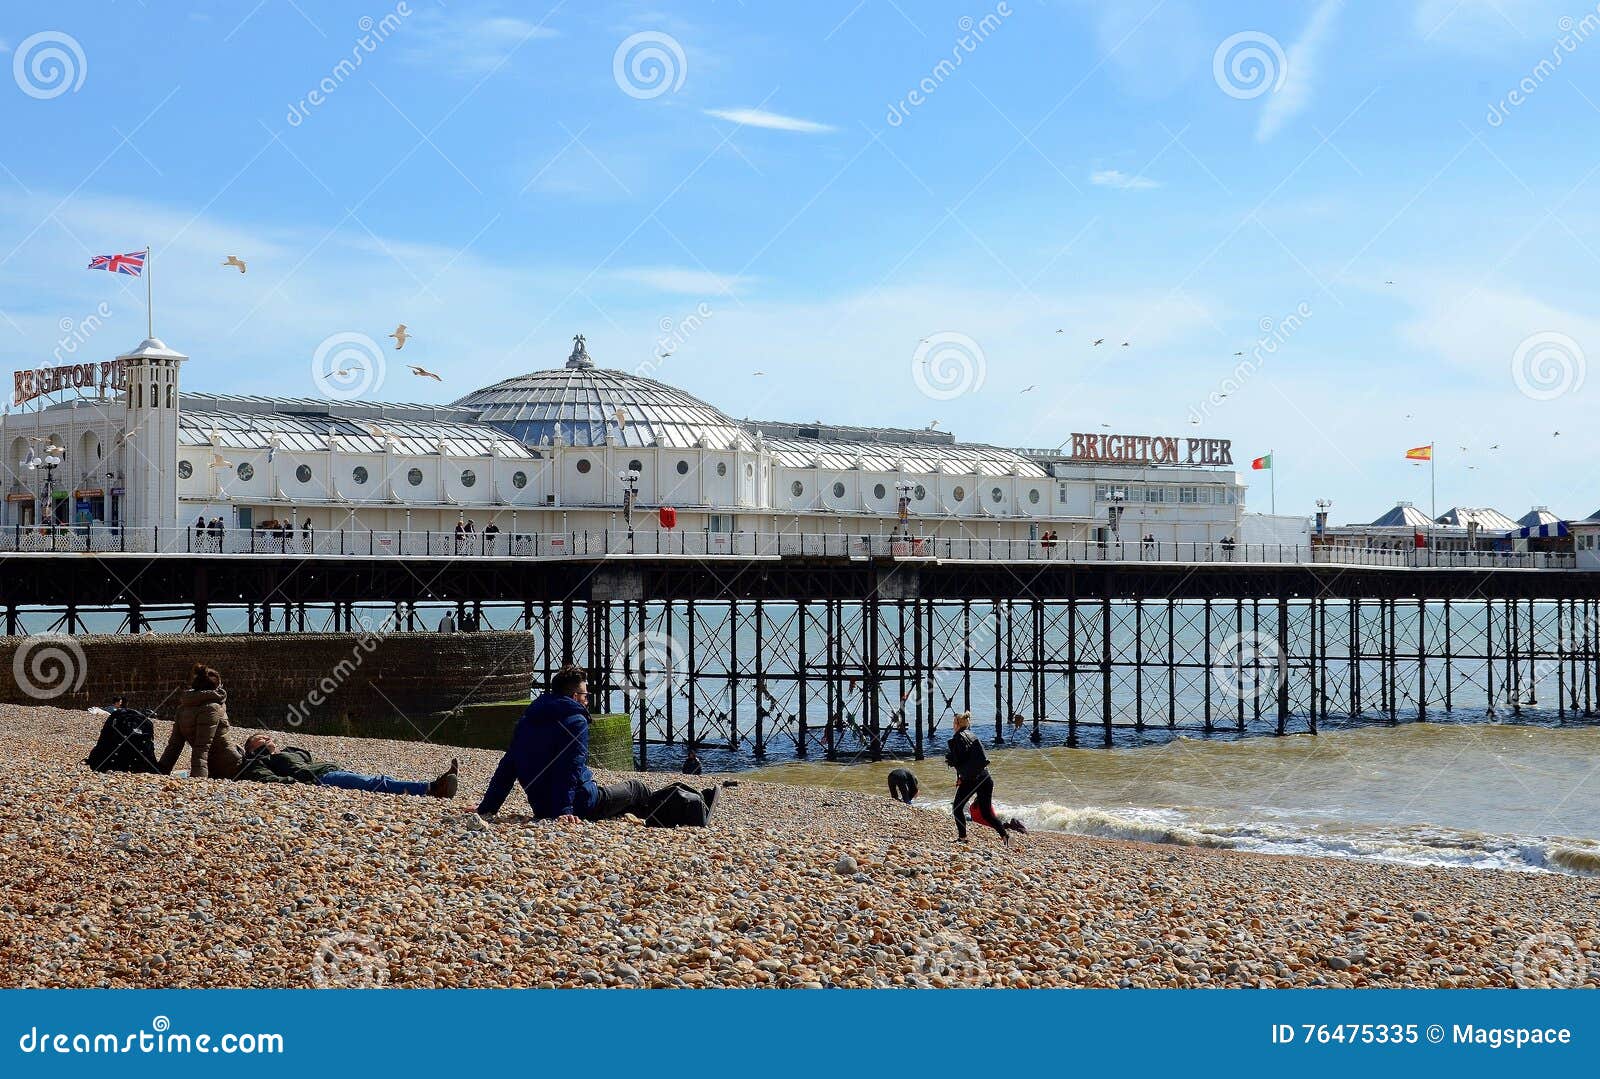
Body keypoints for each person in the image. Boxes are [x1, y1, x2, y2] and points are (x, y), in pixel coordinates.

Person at [478, 665, 681, 823]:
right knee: (637, 788)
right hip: (580, 804)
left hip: (541, 806)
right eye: (585, 695)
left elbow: (508, 766)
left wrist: (487, 808)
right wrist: (563, 811)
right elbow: (569, 768)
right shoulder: (576, 721)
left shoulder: (527, 720)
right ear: (575, 696)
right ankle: (677, 814)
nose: (587, 700)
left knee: (627, 804)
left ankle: (648, 813)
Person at [236, 732, 458, 798]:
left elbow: (305, 756)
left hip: (330, 772)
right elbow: (266, 779)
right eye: (261, 739)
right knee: (375, 782)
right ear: (251, 747)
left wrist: (283, 752)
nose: (268, 738)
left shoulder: (286, 752)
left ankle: (431, 787)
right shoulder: (259, 762)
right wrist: (299, 783)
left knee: (376, 781)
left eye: (269, 737)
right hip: (322, 779)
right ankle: (431, 787)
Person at [943, 711, 1025, 843]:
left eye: (953, 722)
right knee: (986, 813)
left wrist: (950, 759)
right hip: (985, 777)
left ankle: (962, 838)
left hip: (971, 779)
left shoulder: (958, 737)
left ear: (957, 724)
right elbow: (974, 758)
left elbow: (960, 759)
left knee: (957, 809)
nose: (952, 725)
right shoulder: (972, 735)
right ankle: (1005, 836)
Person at [157, 664, 243, 780]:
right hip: (229, 766)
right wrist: (198, 779)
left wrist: (160, 772)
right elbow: (202, 747)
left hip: (213, 766)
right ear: (216, 686)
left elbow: (174, 746)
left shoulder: (183, 708)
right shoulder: (212, 708)